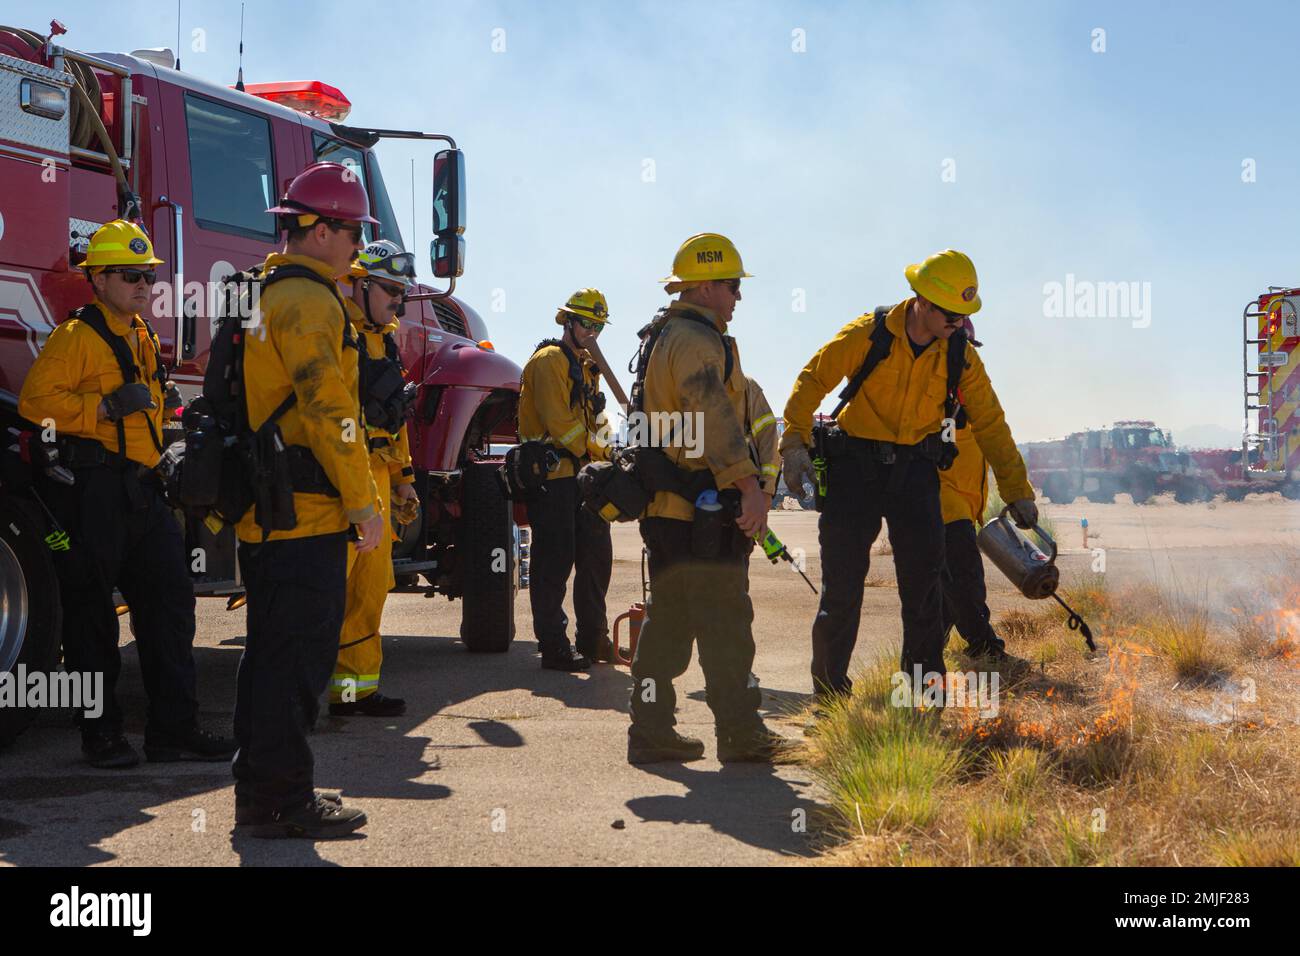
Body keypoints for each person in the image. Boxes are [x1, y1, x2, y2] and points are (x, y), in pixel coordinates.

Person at [19, 220, 235, 769]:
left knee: (171, 607)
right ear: (98, 279)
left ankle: (173, 732)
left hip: (142, 490)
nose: (144, 284)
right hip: (94, 493)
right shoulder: (75, 337)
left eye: (148, 275)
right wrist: (104, 410)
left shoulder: (139, 332)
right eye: (131, 275)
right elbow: (35, 404)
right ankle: (101, 735)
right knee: (92, 618)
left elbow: (151, 404)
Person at [780, 249, 1036, 702]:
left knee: (923, 592)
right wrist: (794, 442)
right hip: (854, 468)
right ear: (922, 301)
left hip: (917, 472)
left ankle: (922, 698)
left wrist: (1017, 490)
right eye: (952, 313)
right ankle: (831, 696)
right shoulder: (868, 334)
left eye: (965, 314)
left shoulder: (960, 355)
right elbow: (812, 379)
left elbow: (992, 423)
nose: (959, 322)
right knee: (842, 590)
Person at [231, 162, 383, 839]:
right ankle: (281, 802)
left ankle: (262, 790)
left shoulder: (265, 291)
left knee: (268, 656)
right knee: (295, 661)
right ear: (320, 230)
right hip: (306, 512)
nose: (357, 246)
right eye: (352, 232)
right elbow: (329, 412)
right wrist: (364, 501)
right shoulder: (313, 301)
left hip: (268, 512)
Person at [626, 233, 796, 764]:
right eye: (731, 285)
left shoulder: (673, 334)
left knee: (671, 625)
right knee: (726, 626)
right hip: (697, 515)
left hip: (673, 514)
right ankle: (741, 733)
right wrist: (751, 489)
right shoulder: (697, 341)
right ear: (703, 286)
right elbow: (715, 422)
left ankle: (651, 731)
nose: (738, 297)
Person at [330, 240, 420, 716]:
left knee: (370, 586)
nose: (398, 301)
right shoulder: (335, 325)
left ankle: (354, 691)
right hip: (340, 477)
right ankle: (302, 695)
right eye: (390, 289)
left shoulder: (383, 337)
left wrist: (405, 479)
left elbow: (394, 418)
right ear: (361, 283)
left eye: (402, 292)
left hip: (377, 476)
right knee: (331, 588)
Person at [517, 289, 614, 670]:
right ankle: (553, 646)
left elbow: (596, 423)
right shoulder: (548, 362)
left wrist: (609, 452)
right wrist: (601, 452)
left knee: (595, 558)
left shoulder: (589, 369)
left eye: (599, 326)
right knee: (553, 564)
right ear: (568, 322)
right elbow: (561, 426)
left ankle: (593, 639)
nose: (593, 332)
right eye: (587, 323)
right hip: (552, 478)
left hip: (585, 480)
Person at [939, 318, 1010, 660]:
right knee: (965, 578)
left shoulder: (965, 398)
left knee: (943, 585)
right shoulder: (939, 397)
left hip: (960, 505)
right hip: (943, 503)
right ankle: (984, 646)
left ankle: (927, 650)